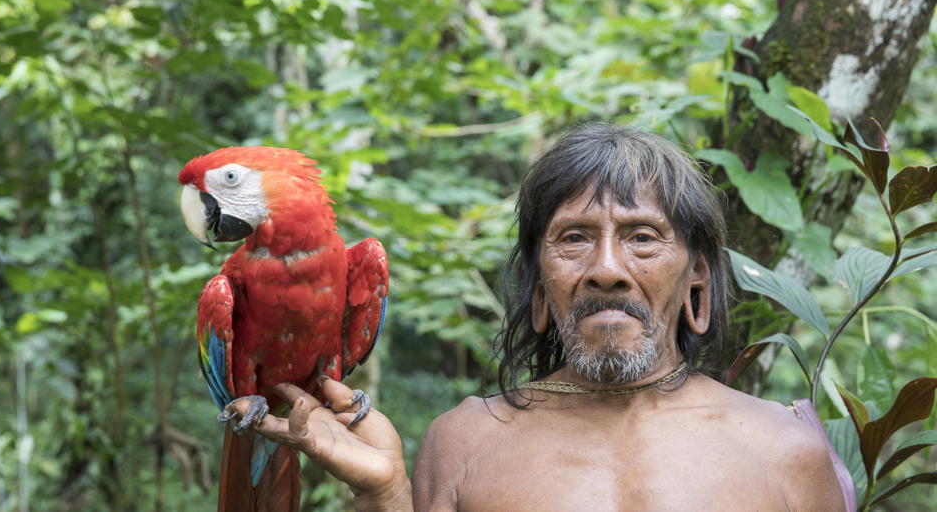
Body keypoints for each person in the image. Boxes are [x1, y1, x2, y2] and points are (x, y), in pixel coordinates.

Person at [232, 123, 846, 511]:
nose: (607, 267)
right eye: (575, 238)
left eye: (642, 237)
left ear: (699, 281)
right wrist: (387, 494)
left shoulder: (786, 450)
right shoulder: (464, 443)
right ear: (537, 290)